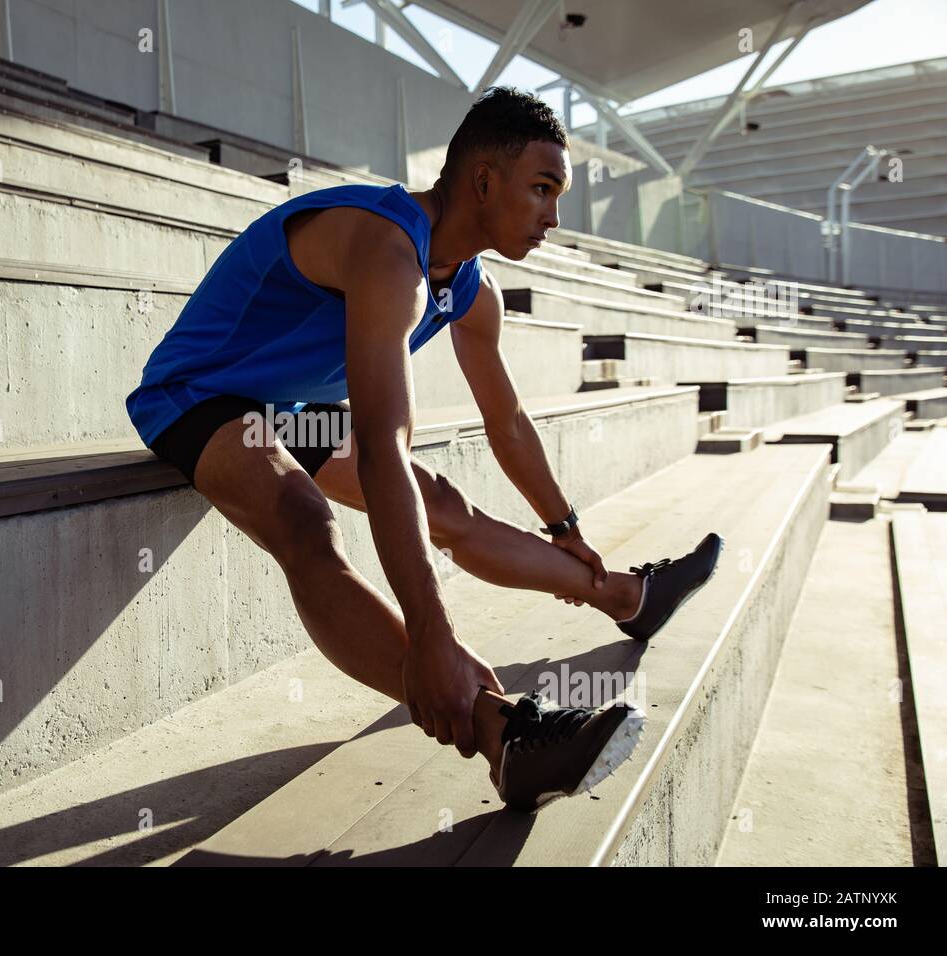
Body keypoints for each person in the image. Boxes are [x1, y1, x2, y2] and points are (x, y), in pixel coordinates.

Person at [126, 87, 722, 813]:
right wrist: (433, 632)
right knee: (306, 523)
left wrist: (567, 529)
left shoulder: (472, 290)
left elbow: (507, 424)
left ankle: (628, 596)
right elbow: (381, 451)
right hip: (199, 395)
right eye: (541, 189)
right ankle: (503, 732)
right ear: (482, 182)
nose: (553, 216)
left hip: (289, 407)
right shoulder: (385, 250)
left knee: (442, 500)